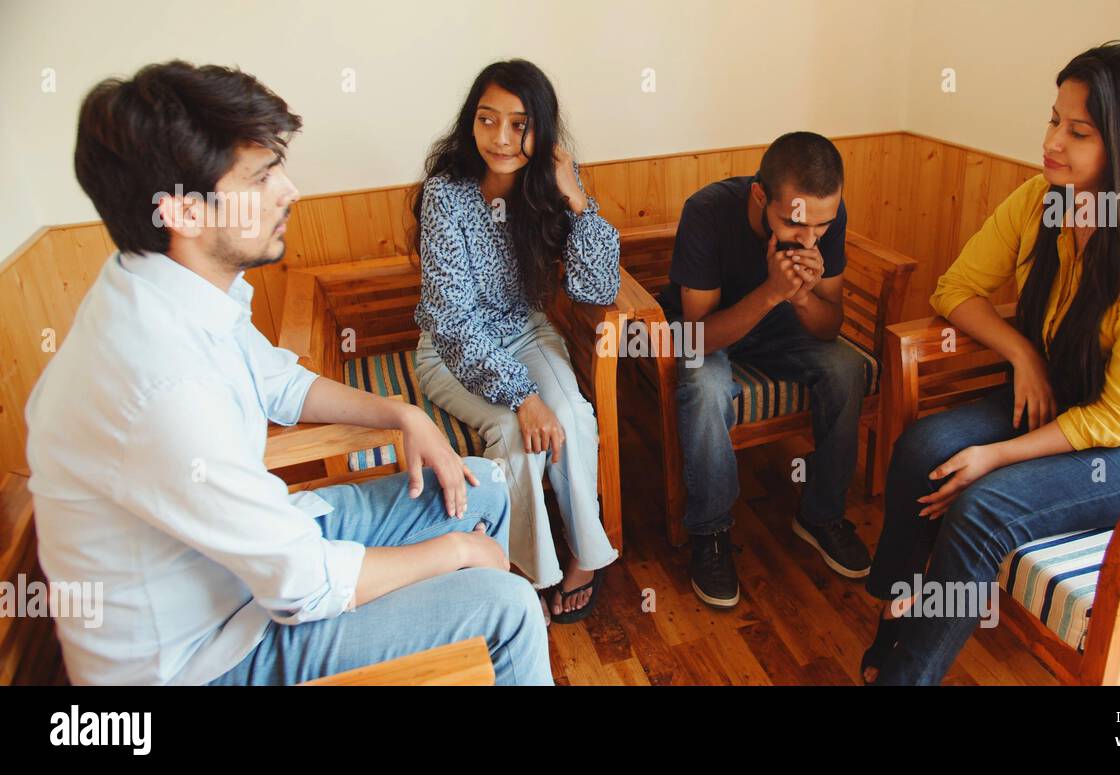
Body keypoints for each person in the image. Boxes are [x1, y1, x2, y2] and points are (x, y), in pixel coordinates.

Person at [25, 60, 551, 686]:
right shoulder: (161, 384)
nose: (289, 189)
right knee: (509, 608)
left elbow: (276, 381)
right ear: (185, 213)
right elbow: (301, 585)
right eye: (262, 175)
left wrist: (402, 414)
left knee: (482, 486)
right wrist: (457, 553)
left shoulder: (168, 290)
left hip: (242, 571)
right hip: (209, 652)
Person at [861, 41, 1120, 685]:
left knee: (982, 505)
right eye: (1053, 119)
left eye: (1077, 131)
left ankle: (905, 677)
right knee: (925, 446)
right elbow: (954, 288)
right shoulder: (1043, 200)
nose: (1052, 142)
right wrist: (1022, 351)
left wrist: (997, 455)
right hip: (1073, 397)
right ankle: (894, 619)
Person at [410, 59, 621, 624]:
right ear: (471, 124)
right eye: (487, 120)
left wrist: (576, 198)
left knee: (572, 415)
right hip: (451, 350)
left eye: (519, 124)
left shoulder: (549, 189)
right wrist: (524, 399)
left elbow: (596, 286)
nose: (501, 138)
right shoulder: (444, 196)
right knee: (512, 431)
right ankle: (526, 570)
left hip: (525, 331)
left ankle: (586, 557)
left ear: (541, 129)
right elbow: (453, 321)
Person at [666, 131, 874, 609]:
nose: (808, 238)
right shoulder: (708, 212)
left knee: (846, 366)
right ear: (760, 196)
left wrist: (800, 295)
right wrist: (772, 293)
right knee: (703, 384)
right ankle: (711, 531)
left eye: (820, 227)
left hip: (780, 321)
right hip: (711, 328)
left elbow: (829, 327)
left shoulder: (823, 216)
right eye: (794, 223)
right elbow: (696, 338)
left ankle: (821, 515)